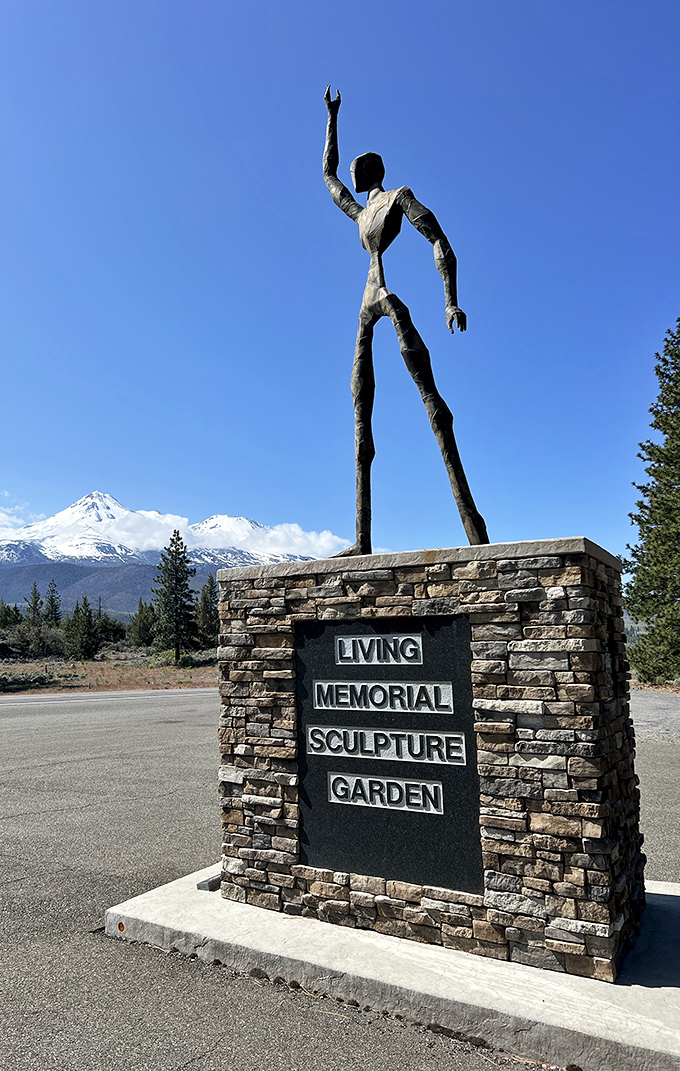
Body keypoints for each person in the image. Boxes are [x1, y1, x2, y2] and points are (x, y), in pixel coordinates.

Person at [323, 86, 489, 554]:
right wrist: (332, 118)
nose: (350, 172)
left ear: (371, 171)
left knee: (430, 399)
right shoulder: (358, 214)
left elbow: (439, 239)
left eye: (358, 167)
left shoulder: (398, 197)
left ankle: (473, 527)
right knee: (360, 414)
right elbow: (327, 173)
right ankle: (361, 540)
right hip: (366, 304)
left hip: (388, 300)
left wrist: (450, 300)